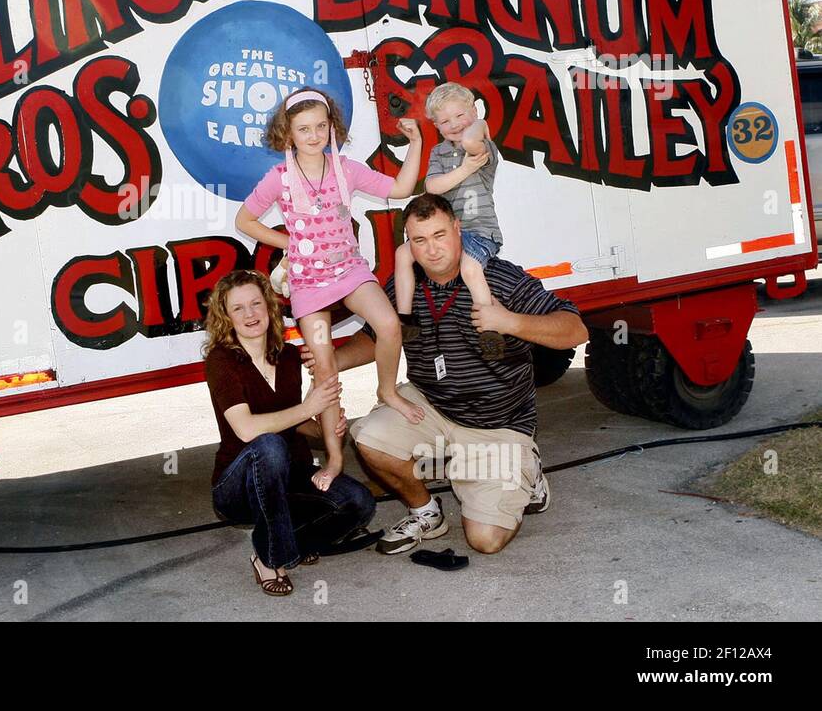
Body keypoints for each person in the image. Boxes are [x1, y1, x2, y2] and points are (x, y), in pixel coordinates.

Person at [327, 193, 587, 556]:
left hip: (498, 423)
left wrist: (509, 321)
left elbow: (574, 328)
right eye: (420, 240)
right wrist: (331, 360)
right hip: (432, 407)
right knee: (371, 437)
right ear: (409, 244)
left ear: (457, 229)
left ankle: (525, 468)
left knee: (484, 540)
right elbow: (377, 338)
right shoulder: (405, 282)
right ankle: (425, 512)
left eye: (439, 235)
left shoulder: (497, 276)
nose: (432, 250)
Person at [235, 87, 423, 492]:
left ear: (332, 127)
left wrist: (416, 144)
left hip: (349, 272)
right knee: (324, 368)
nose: (315, 134)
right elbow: (245, 220)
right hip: (309, 287)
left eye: (321, 126)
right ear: (288, 134)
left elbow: (401, 189)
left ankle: (387, 390)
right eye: (304, 129)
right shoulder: (279, 178)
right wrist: (289, 243)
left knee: (389, 324)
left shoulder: (346, 169)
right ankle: (336, 459)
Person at [204, 269, 379, 596]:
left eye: (256, 303)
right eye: (238, 308)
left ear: (269, 306)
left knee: (359, 502)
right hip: (237, 485)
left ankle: (286, 541)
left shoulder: (287, 356)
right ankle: (271, 559)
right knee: (268, 446)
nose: (250, 314)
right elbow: (246, 429)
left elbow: (289, 419)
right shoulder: (221, 360)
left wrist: (325, 429)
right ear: (225, 316)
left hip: (288, 472)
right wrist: (309, 405)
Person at [394, 82, 506, 359]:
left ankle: (489, 328)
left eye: (461, 116)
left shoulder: (483, 146)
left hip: (480, 231)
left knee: (469, 268)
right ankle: (405, 318)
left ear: (475, 111)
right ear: (436, 126)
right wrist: (466, 168)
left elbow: (470, 140)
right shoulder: (440, 153)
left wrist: (479, 124)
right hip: (449, 234)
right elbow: (432, 186)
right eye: (444, 121)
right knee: (402, 253)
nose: (454, 124)